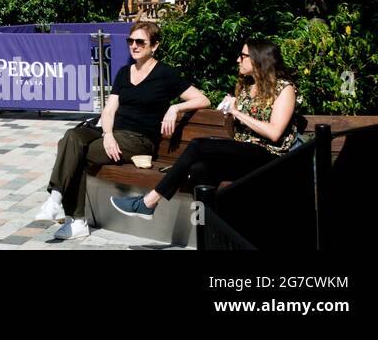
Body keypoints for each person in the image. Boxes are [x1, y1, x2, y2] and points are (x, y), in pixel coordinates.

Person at [36, 19, 210, 239]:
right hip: (113, 132)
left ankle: (74, 217)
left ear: (154, 46)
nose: (134, 46)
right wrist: (107, 135)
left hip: (139, 140)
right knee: (71, 137)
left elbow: (202, 99)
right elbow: (108, 111)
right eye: (131, 41)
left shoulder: (165, 74)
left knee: (75, 152)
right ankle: (56, 201)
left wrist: (175, 107)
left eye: (140, 42)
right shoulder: (123, 73)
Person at [111, 40, 300, 220]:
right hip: (246, 154)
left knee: (198, 145)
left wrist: (237, 112)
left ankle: (149, 201)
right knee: (199, 168)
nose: (238, 60)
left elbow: (274, 133)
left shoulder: (284, 89)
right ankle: (207, 228)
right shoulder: (247, 89)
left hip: (271, 158)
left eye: (243, 56)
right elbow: (235, 133)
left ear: (258, 59)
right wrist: (229, 117)